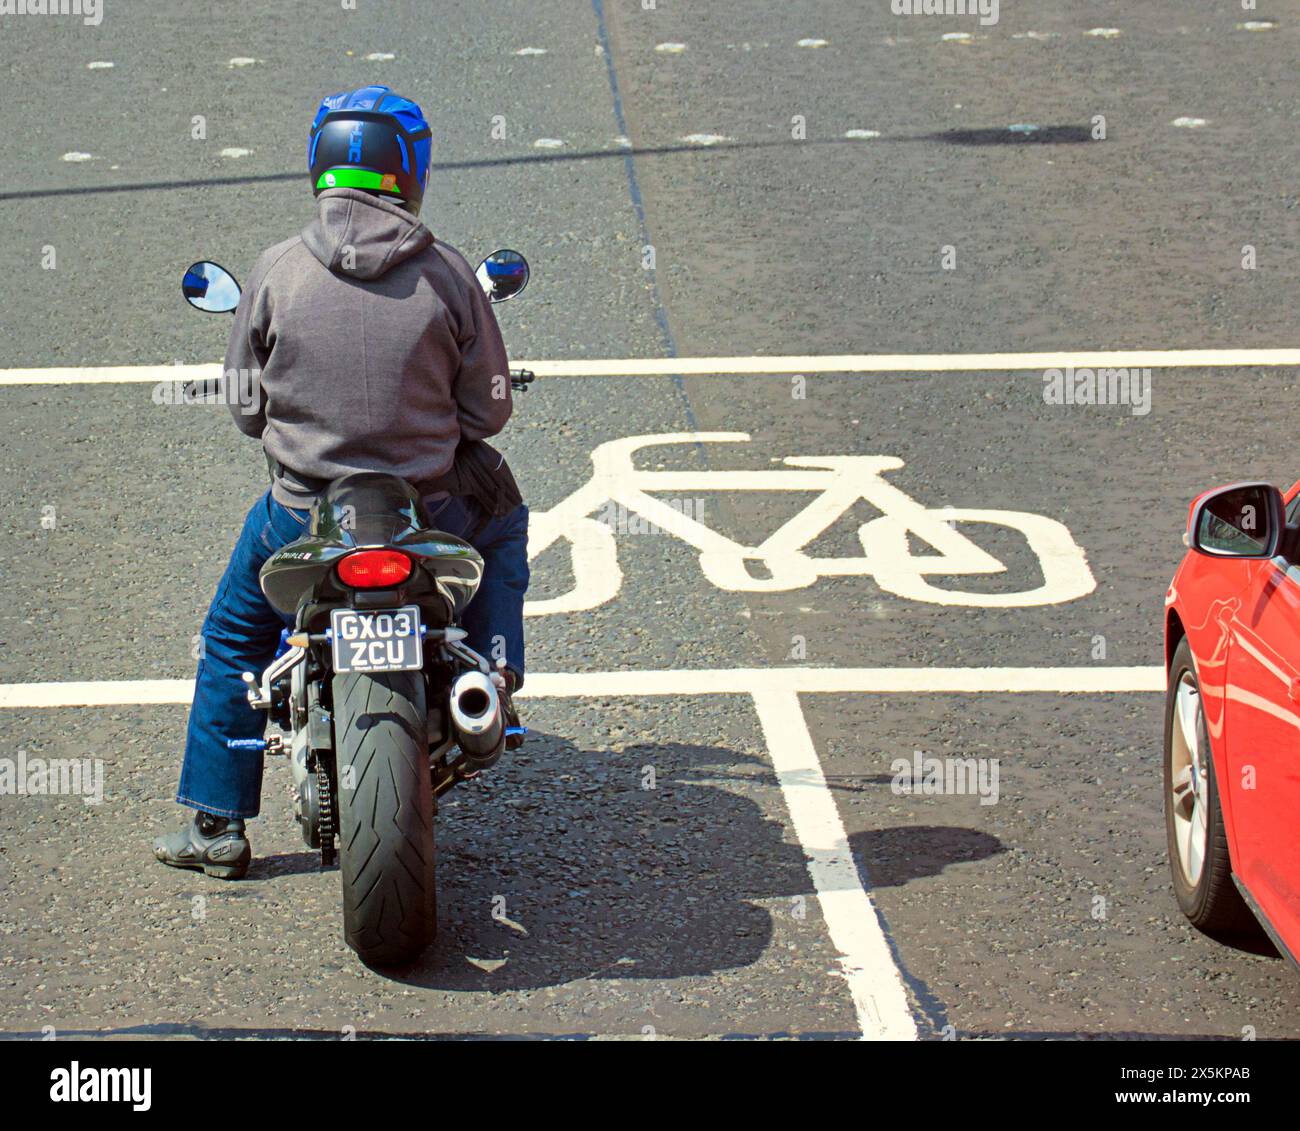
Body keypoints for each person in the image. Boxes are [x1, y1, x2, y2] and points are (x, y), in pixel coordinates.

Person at [154, 85, 528, 879]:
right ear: (406, 172)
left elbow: (247, 412)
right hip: (430, 512)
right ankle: (495, 672)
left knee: (233, 638)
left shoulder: (276, 270)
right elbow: (488, 414)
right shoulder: (450, 275)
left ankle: (216, 821)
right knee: (502, 522)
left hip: (302, 516)